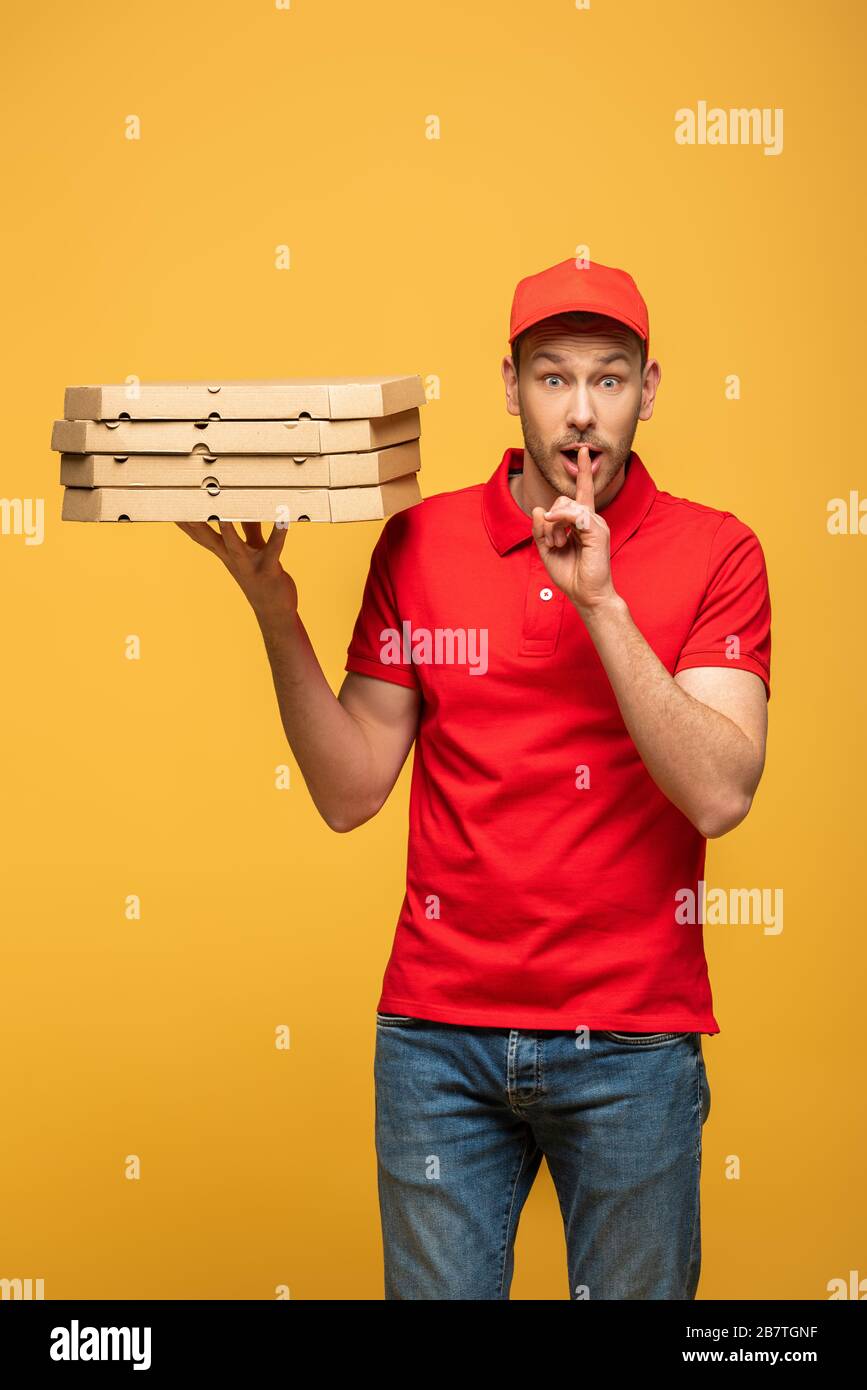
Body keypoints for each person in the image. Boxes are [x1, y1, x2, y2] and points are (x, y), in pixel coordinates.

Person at [177, 257, 772, 1300]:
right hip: (437, 1043)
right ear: (508, 386)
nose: (580, 413)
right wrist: (275, 608)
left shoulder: (716, 552)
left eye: (608, 379)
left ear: (650, 387)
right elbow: (350, 788)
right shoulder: (424, 541)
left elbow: (720, 790)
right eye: (552, 379)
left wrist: (602, 600)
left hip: (631, 1043)